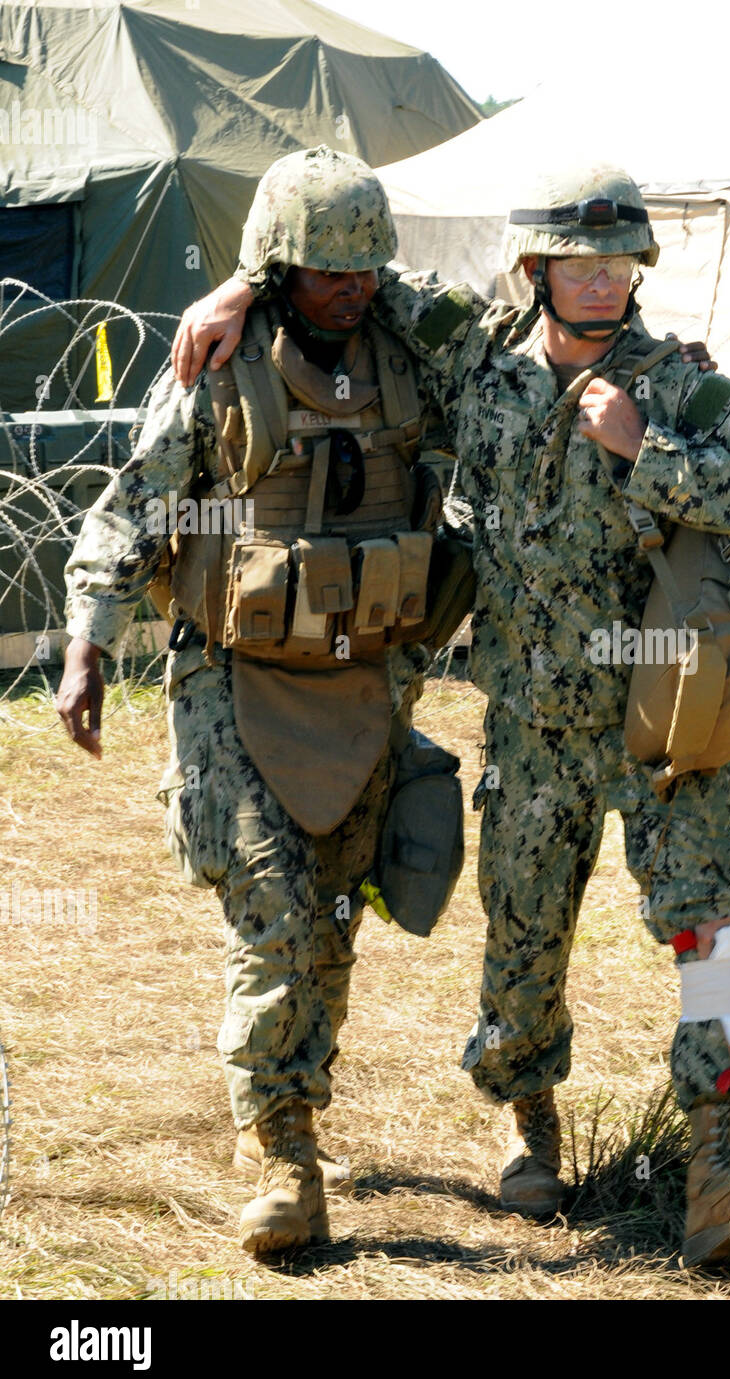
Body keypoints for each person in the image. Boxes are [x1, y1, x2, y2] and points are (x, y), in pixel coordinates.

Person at [174, 164, 730, 1267]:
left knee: (717, 932)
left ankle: (715, 1160)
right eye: (581, 264)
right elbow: (339, 260)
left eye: (619, 264)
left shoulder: (682, 390)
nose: (604, 283)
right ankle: (529, 1119)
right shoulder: (476, 355)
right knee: (523, 950)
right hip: (531, 724)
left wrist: (643, 452)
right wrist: (234, 286)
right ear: (537, 269)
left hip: (667, 717)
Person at [56, 146, 465, 1257]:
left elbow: (490, 329)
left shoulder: (410, 357)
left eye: (367, 269)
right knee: (276, 906)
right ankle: (279, 1145)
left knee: (337, 914)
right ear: (281, 265)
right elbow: (128, 506)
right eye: (328, 271)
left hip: (365, 678)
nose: (355, 288)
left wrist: (253, 278)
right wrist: (88, 644)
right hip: (235, 681)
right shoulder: (218, 367)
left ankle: (298, 1104)